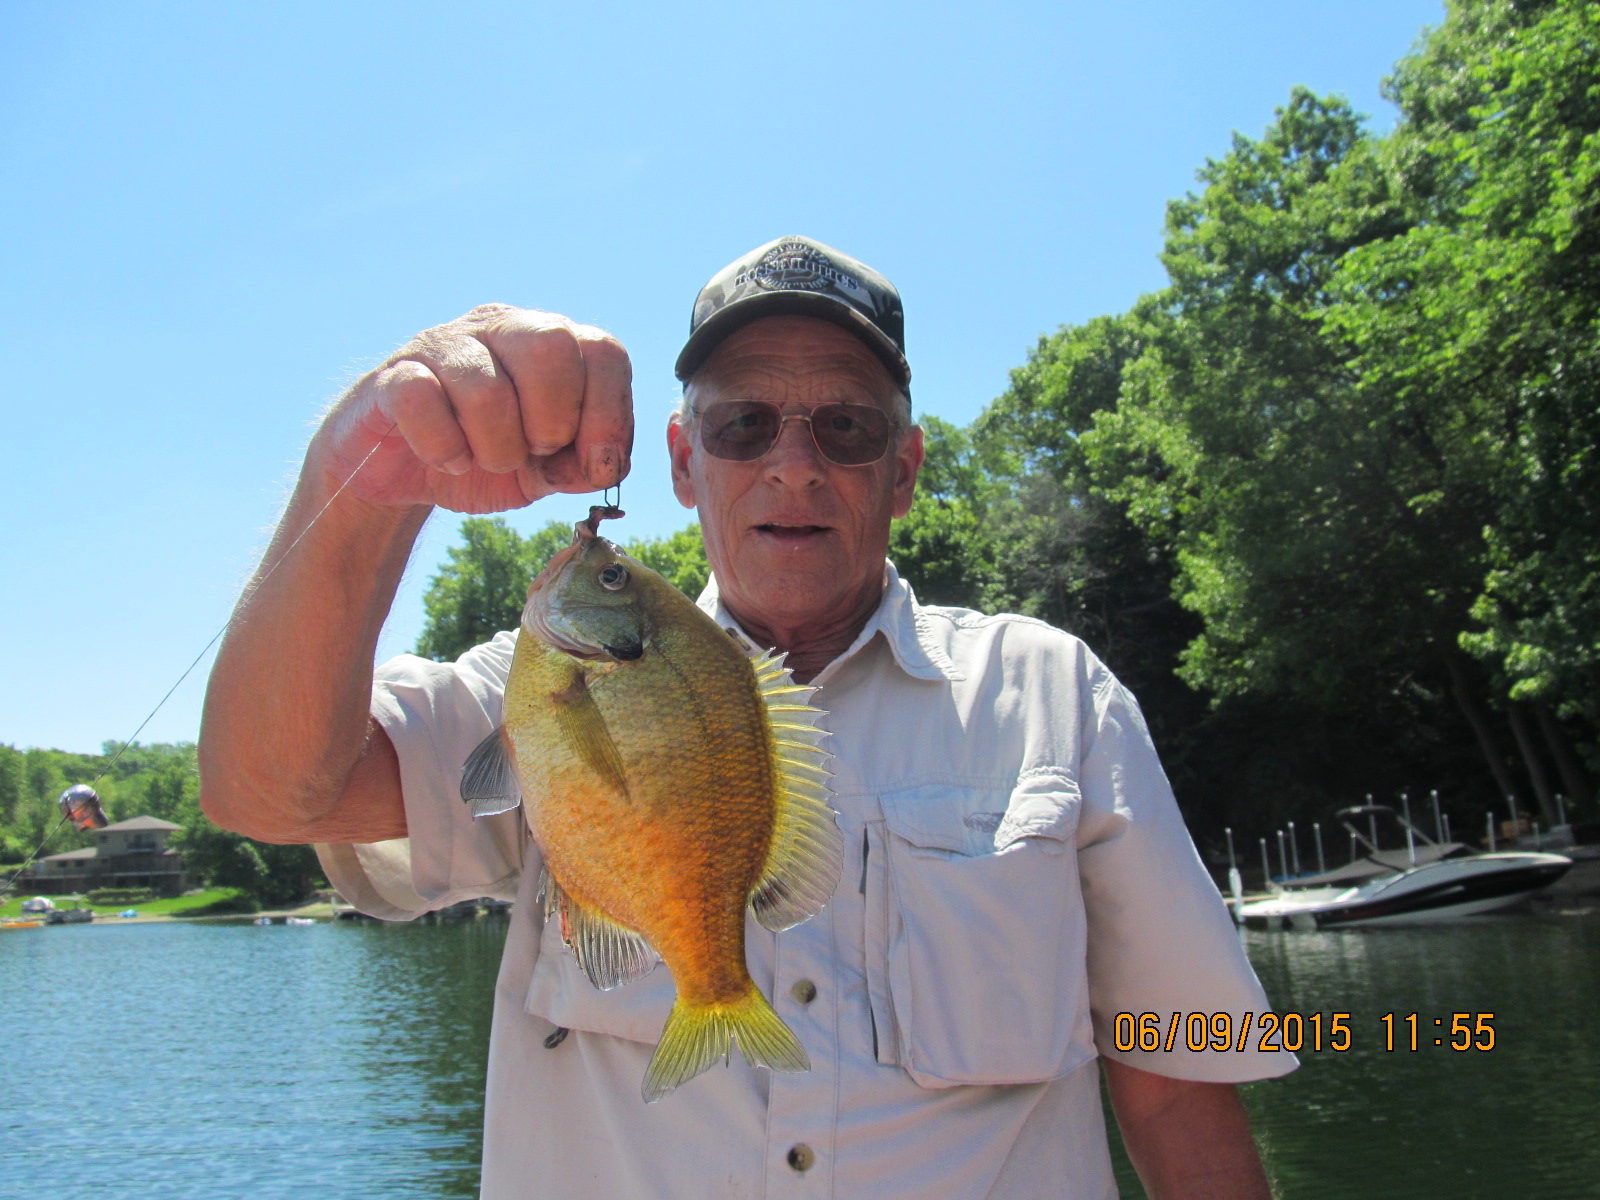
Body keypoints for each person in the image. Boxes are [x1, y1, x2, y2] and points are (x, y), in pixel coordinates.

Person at [200, 236, 1295, 1199]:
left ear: (902, 470)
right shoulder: (535, 691)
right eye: (743, 423)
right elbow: (266, 791)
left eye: (847, 427)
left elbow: (1177, 1074)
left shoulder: (1055, 696)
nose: (792, 464)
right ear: (684, 461)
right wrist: (368, 474)